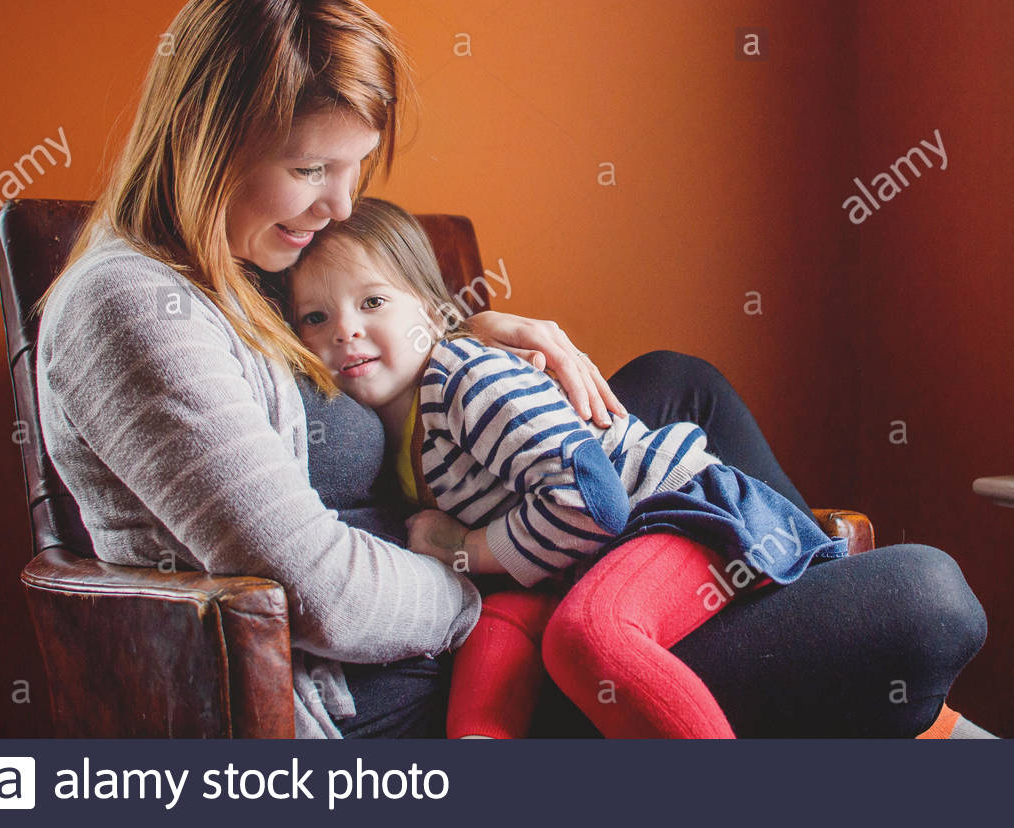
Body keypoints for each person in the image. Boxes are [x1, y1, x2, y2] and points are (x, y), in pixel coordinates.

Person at [33, 0, 992, 739]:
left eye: (354, 169)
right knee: (923, 600)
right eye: (310, 169)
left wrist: (462, 336)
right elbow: (321, 592)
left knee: (675, 384)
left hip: (504, 563)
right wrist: (489, 574)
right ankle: (837, 655)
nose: (337, 207)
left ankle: (767, 593)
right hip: (434, 680)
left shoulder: (241, 256)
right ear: (205, 136)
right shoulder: (132, 311)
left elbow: (363, 347)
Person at [284, 197, 851, 738]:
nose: (344, 329)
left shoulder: (462, 375)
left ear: (433, 312)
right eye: (315, 316)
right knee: (490, 637)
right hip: (574, 558)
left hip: (670, 511)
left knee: (589, 639)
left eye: (373, 302)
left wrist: (470, 545)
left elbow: (593, 499)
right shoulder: (395, 433)